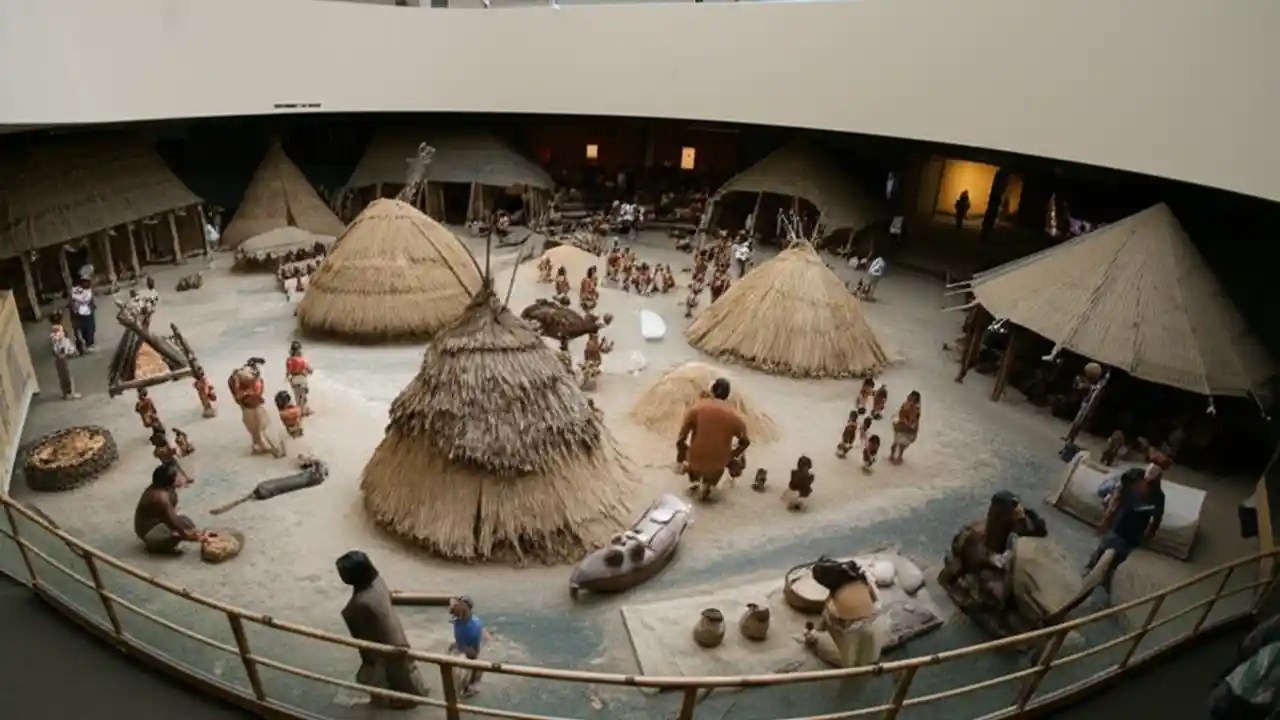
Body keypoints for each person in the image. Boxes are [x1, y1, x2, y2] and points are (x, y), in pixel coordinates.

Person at [336, 551, 426, 708]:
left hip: (386, 654)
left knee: (389, 696)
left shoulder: (362, 604)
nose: (340, 574)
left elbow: (372, 640)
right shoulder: (377, 583)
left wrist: (370, 664)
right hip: (396, 647)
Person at [1086, 462, 1166, 601]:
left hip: (1134, 531)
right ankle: (1092, 567)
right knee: (1103, 548)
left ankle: (1105, 575)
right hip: (1120, 523)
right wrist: (1107, 516)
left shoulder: (1158, 497)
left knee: (1118, 556)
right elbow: (1117, 497)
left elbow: (1157, 518)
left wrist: (1150, 532)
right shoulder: (1133, 480)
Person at [676, 377, 751, 501]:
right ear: (727, 395)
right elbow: (745, 442)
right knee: (739, 456)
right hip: (719, 463)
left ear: (712, 391)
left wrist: (681, 459)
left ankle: (693, 476)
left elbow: (681, 439)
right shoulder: (734, 416)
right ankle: (709, 484)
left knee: (692, 461)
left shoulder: (696, 408)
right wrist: (730, 456)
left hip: (695, 459)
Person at [134, 462, 204, 555]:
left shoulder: (163, 487)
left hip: (159, 522)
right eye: (177, 476)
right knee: (178, 533)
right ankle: (156, 546)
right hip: (149, 532)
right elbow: (174, 523)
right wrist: (194, 536)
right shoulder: (160, 498)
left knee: (187, 523)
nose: (180, 477)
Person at [449, 595, 489, 698]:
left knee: (474, 663)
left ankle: (472, 684)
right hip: (463, 645)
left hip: (472, 650)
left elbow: (475, 653)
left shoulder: (474, 627)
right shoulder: (458, 619)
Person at [48, 312, 81, 400]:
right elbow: (61, 343)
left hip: (59, 355)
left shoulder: (54, 330)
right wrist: (68, 351)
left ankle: (66, 392)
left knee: (63, 375)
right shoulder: (58, 330)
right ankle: (69, 393)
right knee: (66, 374)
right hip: (61, 355)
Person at [889, 391, 921, 464]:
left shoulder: (915, 408)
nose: (910, 398)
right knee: (896, 444)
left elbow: (913, 420)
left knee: (900, 445)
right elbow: (902, 415)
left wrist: (902, 423)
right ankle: (893, 456)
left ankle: (898, 458)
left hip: (907, 429)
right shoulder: (907, 404)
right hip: (903, 427)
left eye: (912, 398)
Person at [285, 340, 314, 416]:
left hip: (294, 380)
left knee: (298, 398)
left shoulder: (289, 360)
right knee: (303, 398)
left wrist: (288, 379)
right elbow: (309, 370)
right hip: (302, 379)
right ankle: (302, 412)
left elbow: (288, 373)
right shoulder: (302, 359)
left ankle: (300, 412)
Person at [69, 277, 97, 353]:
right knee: (81, 329)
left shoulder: (88, 290)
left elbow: (88, 299)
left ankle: (89, 343)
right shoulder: (75, 290)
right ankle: (83, 345)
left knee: (89, 329)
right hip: (78, 313)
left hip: (87, 312)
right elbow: (82, 299)